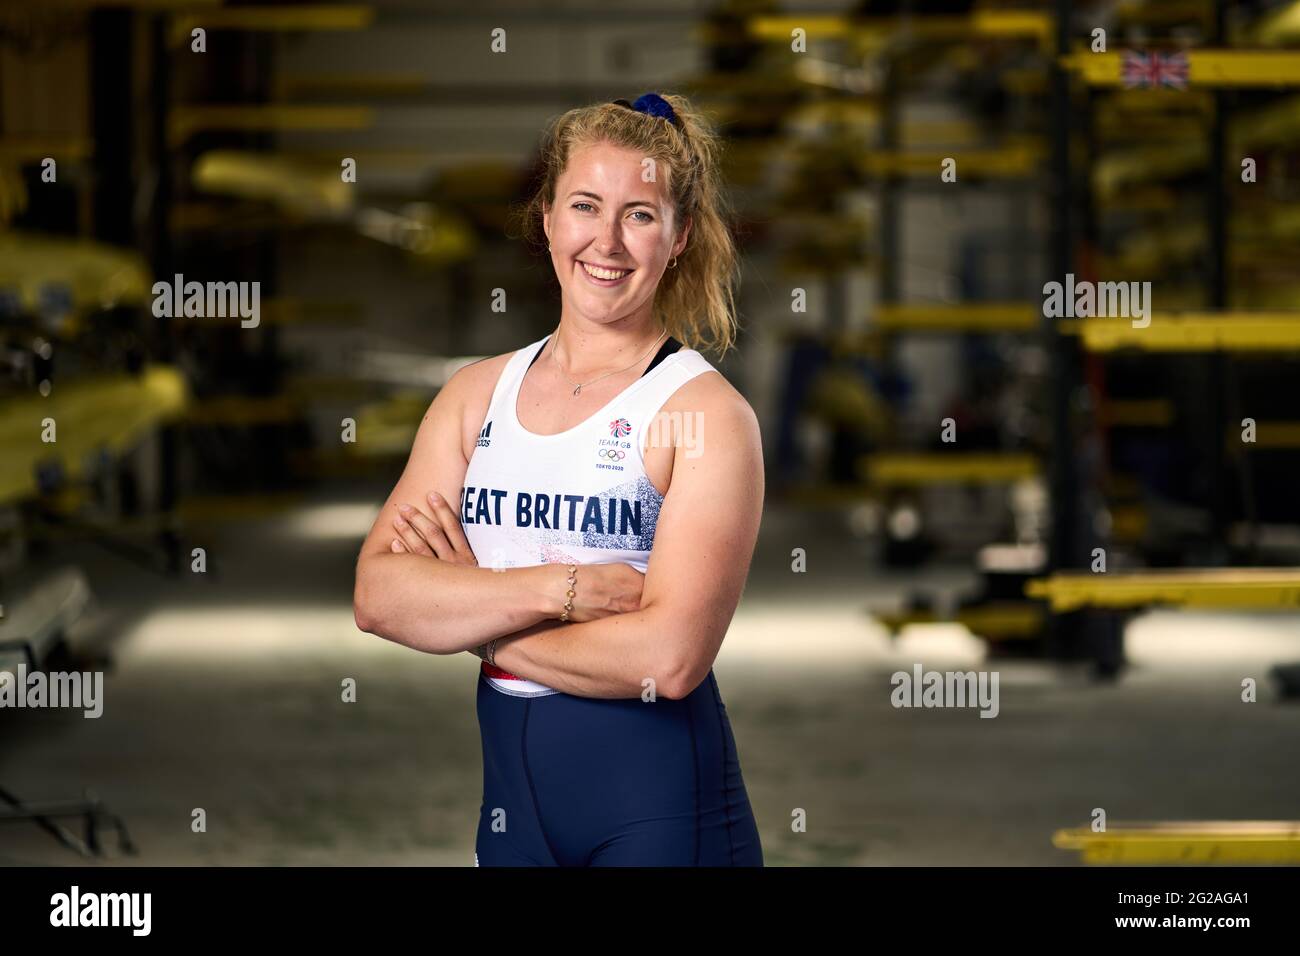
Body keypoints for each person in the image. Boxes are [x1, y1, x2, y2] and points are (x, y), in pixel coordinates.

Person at [353, 92, 764, 866]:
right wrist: (558, 592)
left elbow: (668, 660)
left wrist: (471, 610)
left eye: (640, 215)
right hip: (512, 821)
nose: (606, 242)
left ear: (678, 238)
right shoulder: (475, 397)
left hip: (663, 819)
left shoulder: (703, 414)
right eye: (585, 206)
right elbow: (379, 599)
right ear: (547, 218)